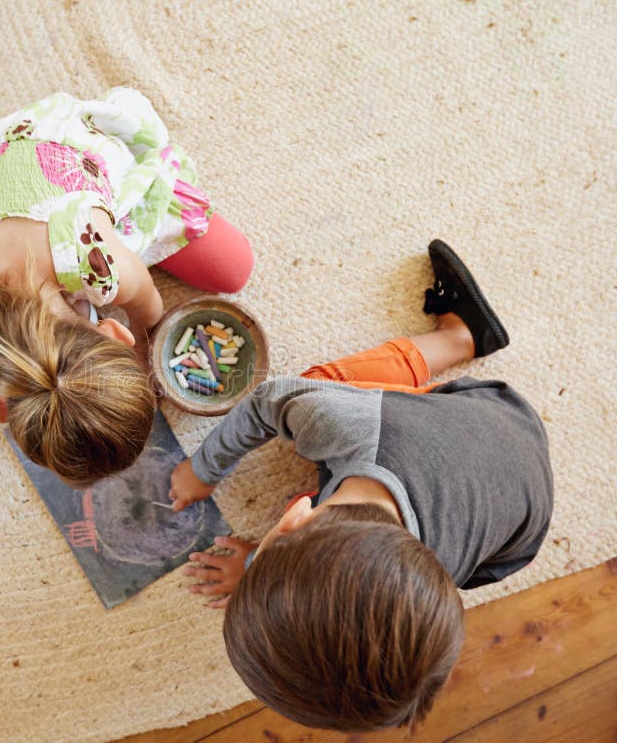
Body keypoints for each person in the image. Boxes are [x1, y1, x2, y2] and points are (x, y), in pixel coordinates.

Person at [168, 240, 553, 732]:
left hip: (520, 511)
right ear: (292, 515)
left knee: (319, 390)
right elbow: (268, 399)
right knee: (317, 383)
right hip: (493, 420)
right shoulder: (345, 423)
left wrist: (258, 568)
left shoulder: (425, 581)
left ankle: (462, 335)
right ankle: (459, 336)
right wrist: (202, 470)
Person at [0, 88, 253, 485]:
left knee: (234, 266)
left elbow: (146, 299)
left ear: (117, 331)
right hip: (1, 179)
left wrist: (147, 340)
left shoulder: (96, 259)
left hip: (51, 152)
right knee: (231, 269)